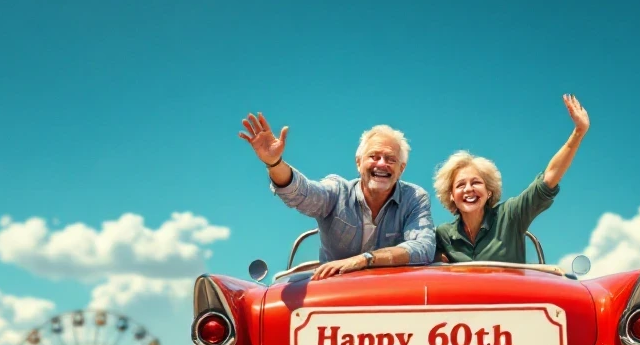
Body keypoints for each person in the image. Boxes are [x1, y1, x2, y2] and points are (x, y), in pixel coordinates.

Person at [238, 112, 436, 280]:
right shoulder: (337, 191)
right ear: (358, 163)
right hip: (333, 294)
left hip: (393, 296)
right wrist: (275, 163)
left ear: (401, 169)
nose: (382, 164)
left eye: (391, 159)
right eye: (374, 157)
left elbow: (423, 247)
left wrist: (365, 259)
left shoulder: (415, 198)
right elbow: (303, 194)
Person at [432, 94, 589, 264]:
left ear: (489, 191)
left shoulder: (511, 216)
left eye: (476, 182)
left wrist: (578, 132)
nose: (469, 189)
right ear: (451, 195)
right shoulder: (443, 235)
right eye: (460, 185)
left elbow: (548, 178)